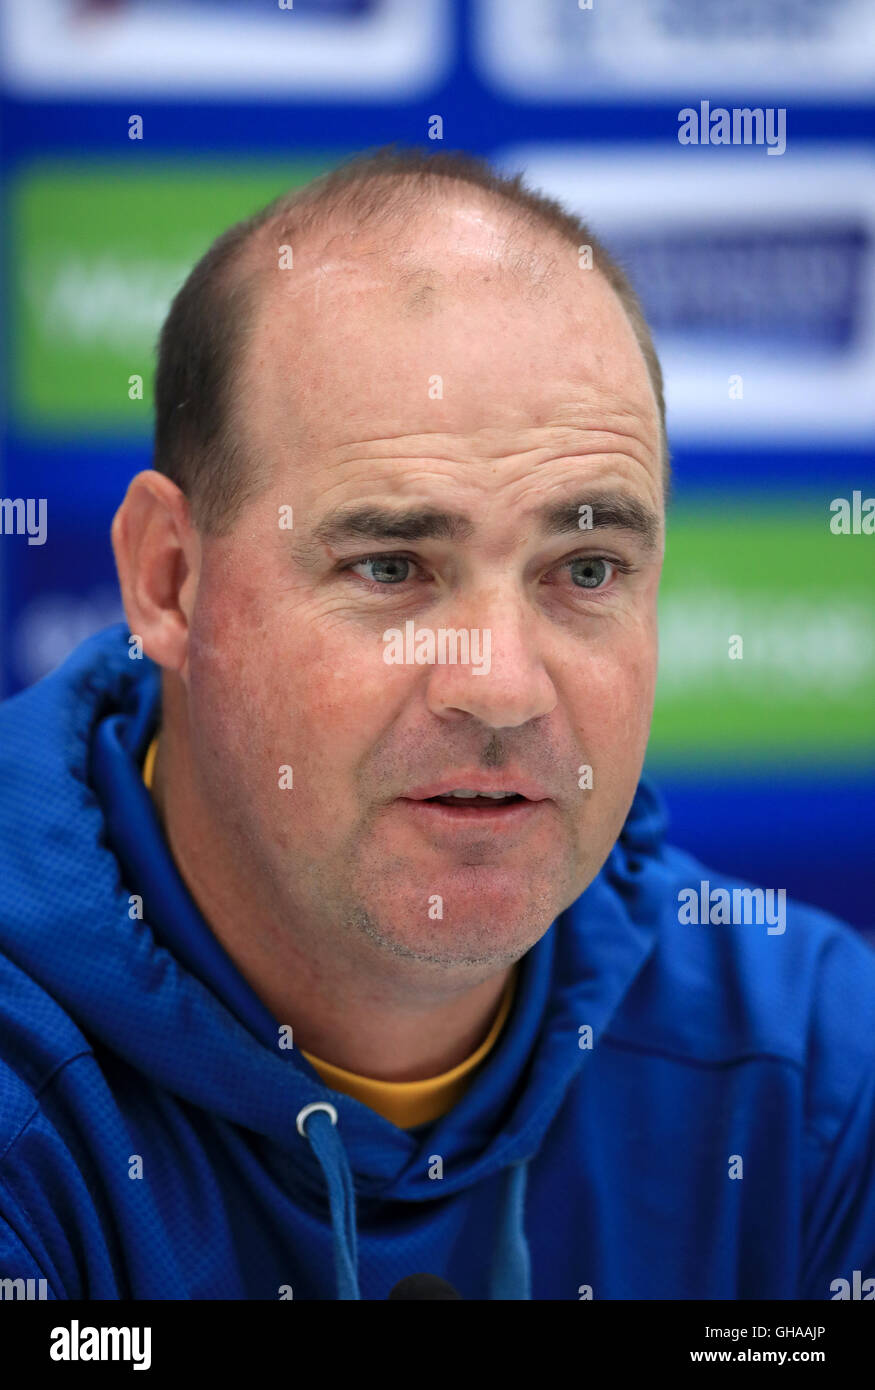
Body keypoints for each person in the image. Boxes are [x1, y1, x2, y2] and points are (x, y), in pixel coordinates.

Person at [0, 146, 872, 1301]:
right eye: (392, 565)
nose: (500, 684)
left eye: (587, 567)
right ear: (169, 581)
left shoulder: (811, 1071)